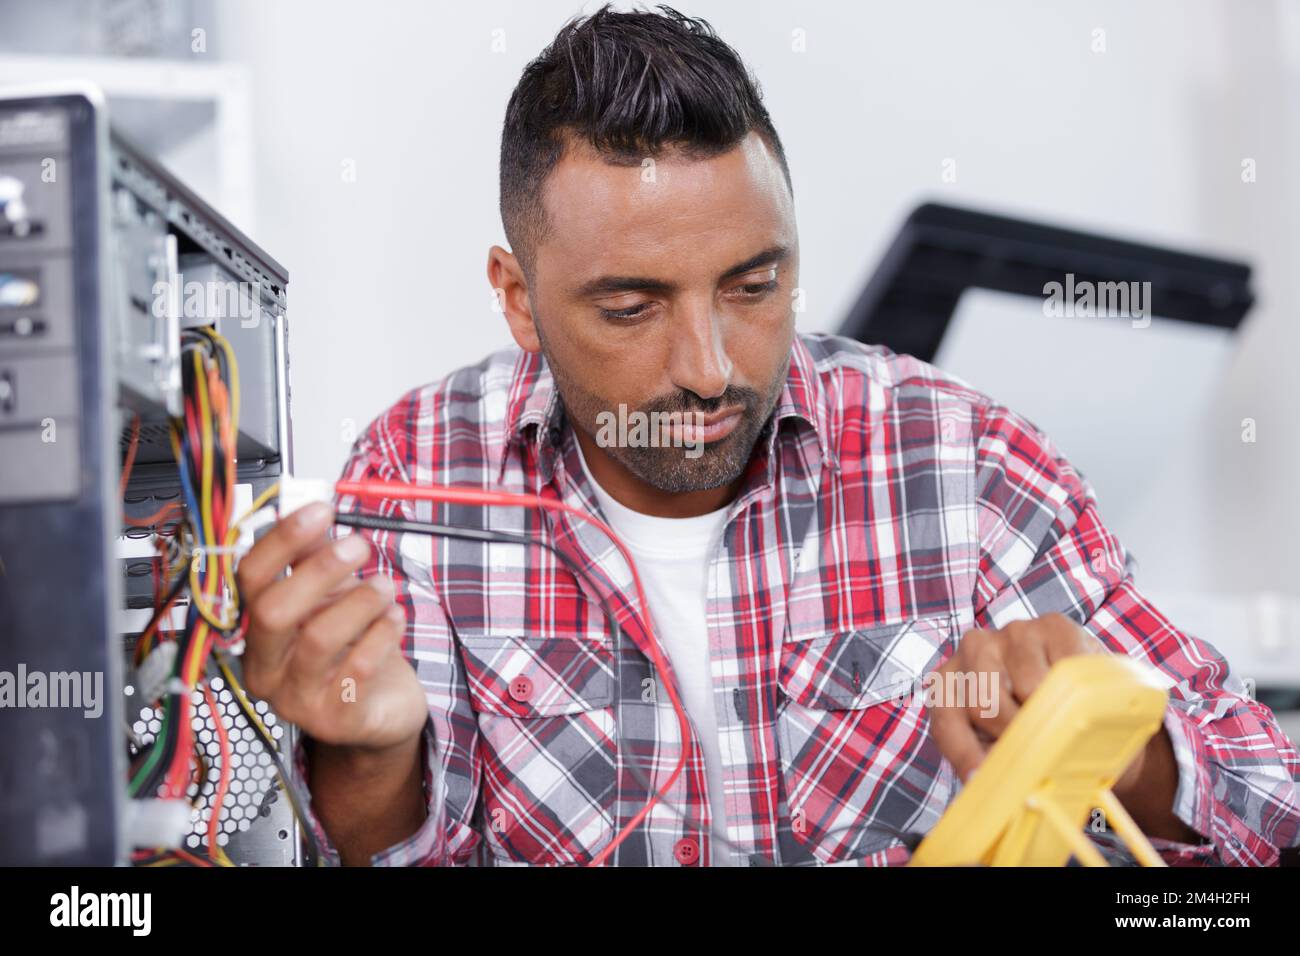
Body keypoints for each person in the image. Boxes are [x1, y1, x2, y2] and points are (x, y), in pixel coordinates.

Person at [235, 5, 1300, 866]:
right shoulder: (418, 479)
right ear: (517, 299)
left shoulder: (961, 464)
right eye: (629, 307)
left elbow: (1269, 799)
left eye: (754, 285)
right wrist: (370, 758)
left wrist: (1124, 752)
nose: (710, 365)